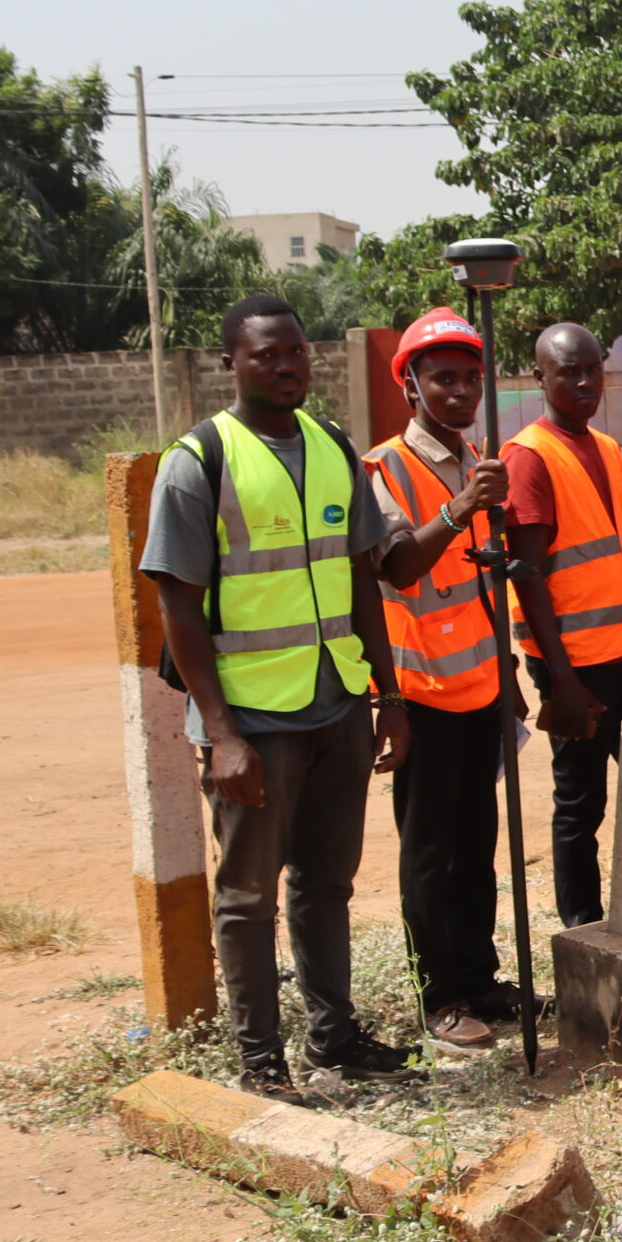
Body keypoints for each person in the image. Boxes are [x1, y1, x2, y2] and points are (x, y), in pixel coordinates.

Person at [143, 293, 416, 1103]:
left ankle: (335, 1036)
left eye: (296, 352)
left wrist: (387, 692)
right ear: (231, 361)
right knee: (247, 898)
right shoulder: (199, 460)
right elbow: (179, 606)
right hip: (253, 720)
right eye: (267, 354)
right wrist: (221, 734)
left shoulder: (334, 445)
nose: (287, 365)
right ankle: (263, 1065)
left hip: (336, 703)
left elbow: (363, 578)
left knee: (327, 881)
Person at [364, 307, 523, 1054]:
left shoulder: (478, 460)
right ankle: (442, 995)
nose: (460, 391)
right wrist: (462, 508)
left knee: (477, 842)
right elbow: (398, 565)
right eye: (442, 379)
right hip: (421, 691)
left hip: (480, 685)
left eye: (469, 378)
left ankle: (480, 974)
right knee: (430, 852)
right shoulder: (385, 468)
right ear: (412, 386)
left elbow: (488, 582)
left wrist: (511, 671)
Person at [503, 322, 622, 929]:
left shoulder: (602, 447)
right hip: (573, 666)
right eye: (567, 371)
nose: (582, 382)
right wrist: (564, 683)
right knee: (580, 804)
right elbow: (528, 576)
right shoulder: (528, 456)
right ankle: (583, 927)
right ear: (539, 376)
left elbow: (620, 556)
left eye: (591, 369)